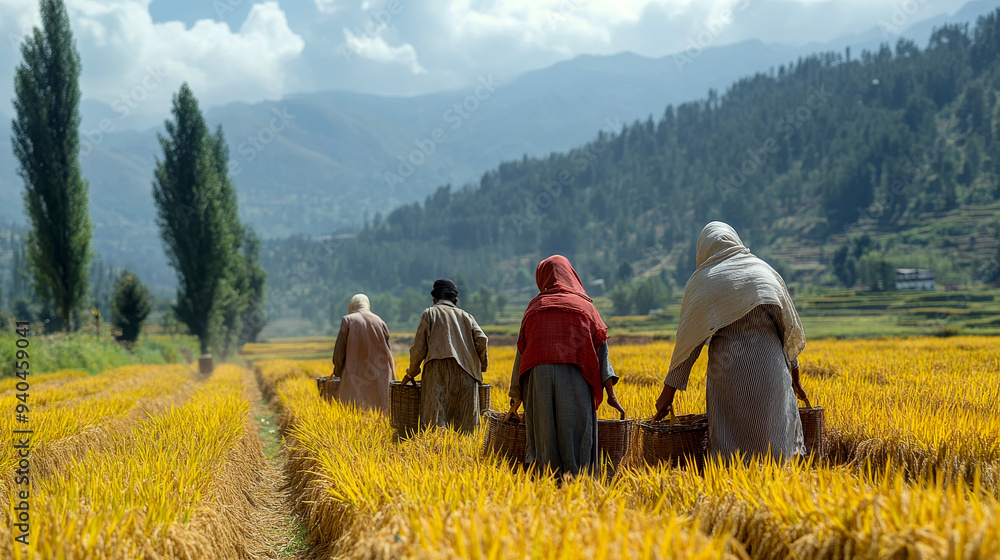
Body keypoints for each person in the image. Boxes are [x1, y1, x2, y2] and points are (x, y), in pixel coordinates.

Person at [652, 221, 809, 462]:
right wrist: (795, 380)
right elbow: (788, 332)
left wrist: (667, 394)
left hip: (728, 372)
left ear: (704, 249)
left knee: (731, 449)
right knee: (775, 446)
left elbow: (688, 347)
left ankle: (732, 494)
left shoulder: (703, 280)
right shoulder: (764, 271)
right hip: (771, 366)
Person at [507, 255, 625, 477]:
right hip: (576, 380)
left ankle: (547, 486)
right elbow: (601, 353)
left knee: (544, 438)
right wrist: (611, 395)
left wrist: (516, 397)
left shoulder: (534, 308)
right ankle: (579, 484)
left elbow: (521, 354)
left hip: (538, 382)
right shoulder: (586, 307)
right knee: (577, 435)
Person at [402, 279, 489, 433]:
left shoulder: (430, 313)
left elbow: (418, 348)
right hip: (467, 373)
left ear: (434, 299)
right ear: (455, 300)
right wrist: (480, 366)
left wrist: (412, 371)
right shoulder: (466, 316)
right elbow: (482, 340)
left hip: (437, 373)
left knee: (435, 426)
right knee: (466, 429)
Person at [330, 294, 395, 414]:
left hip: (356, 377)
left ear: (352, 306)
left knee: (354, 413)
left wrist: (337, 371)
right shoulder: (380, 321)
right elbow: (388, 352)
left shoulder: (348, 320)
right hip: (380, 375)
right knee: (380, 413)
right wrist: (392, 376)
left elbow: (339, 353)